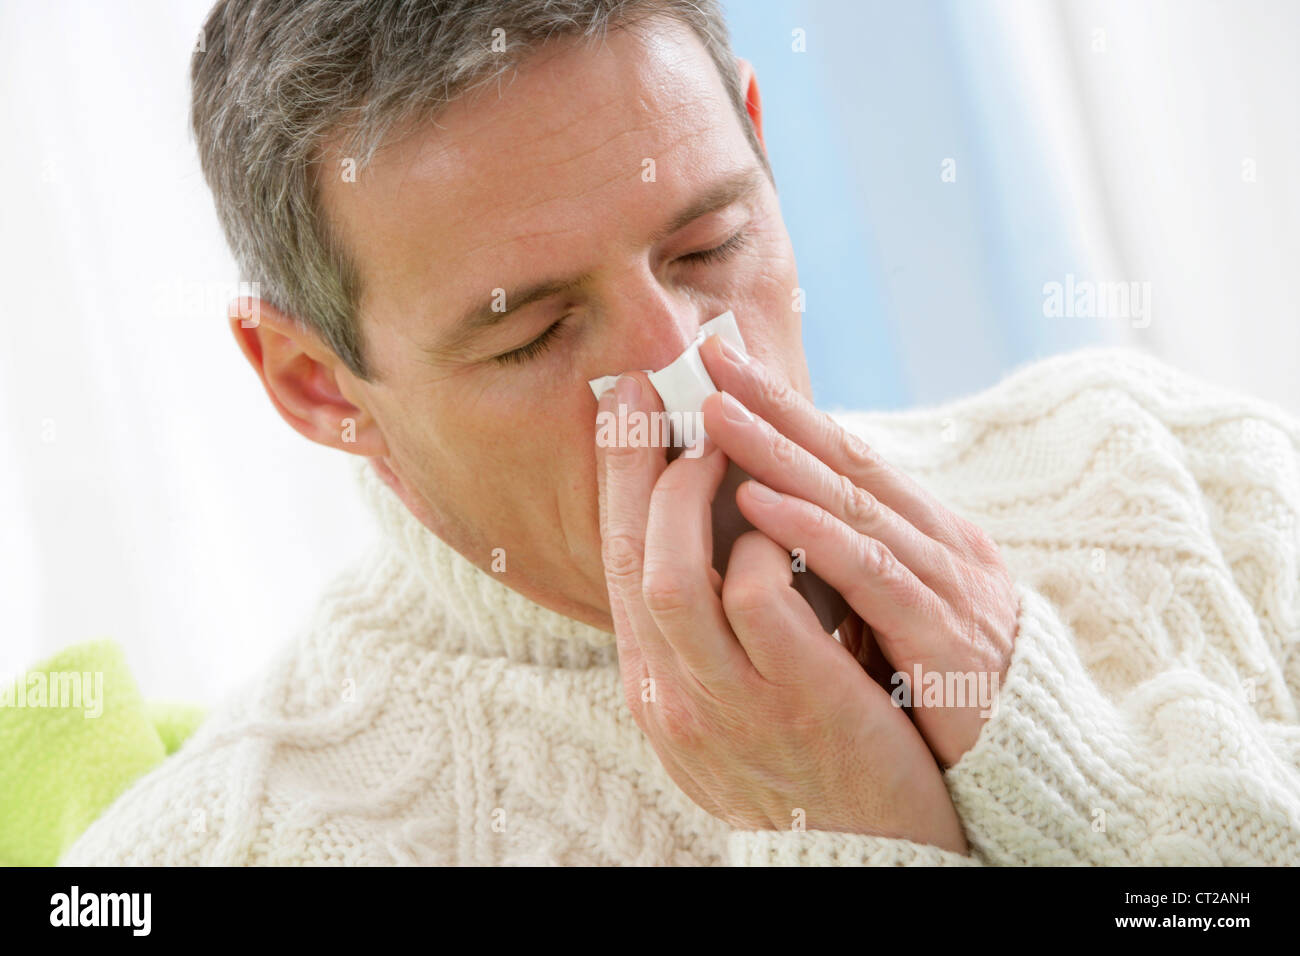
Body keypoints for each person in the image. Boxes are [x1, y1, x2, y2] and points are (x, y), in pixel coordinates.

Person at [64, 0, 1300, 865]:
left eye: (708, 246)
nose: (685, 372)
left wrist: (1069, 777)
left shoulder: (1178, 468)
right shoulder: (216, 853)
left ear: (761, 144)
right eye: (530, 333)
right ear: (318, 383)